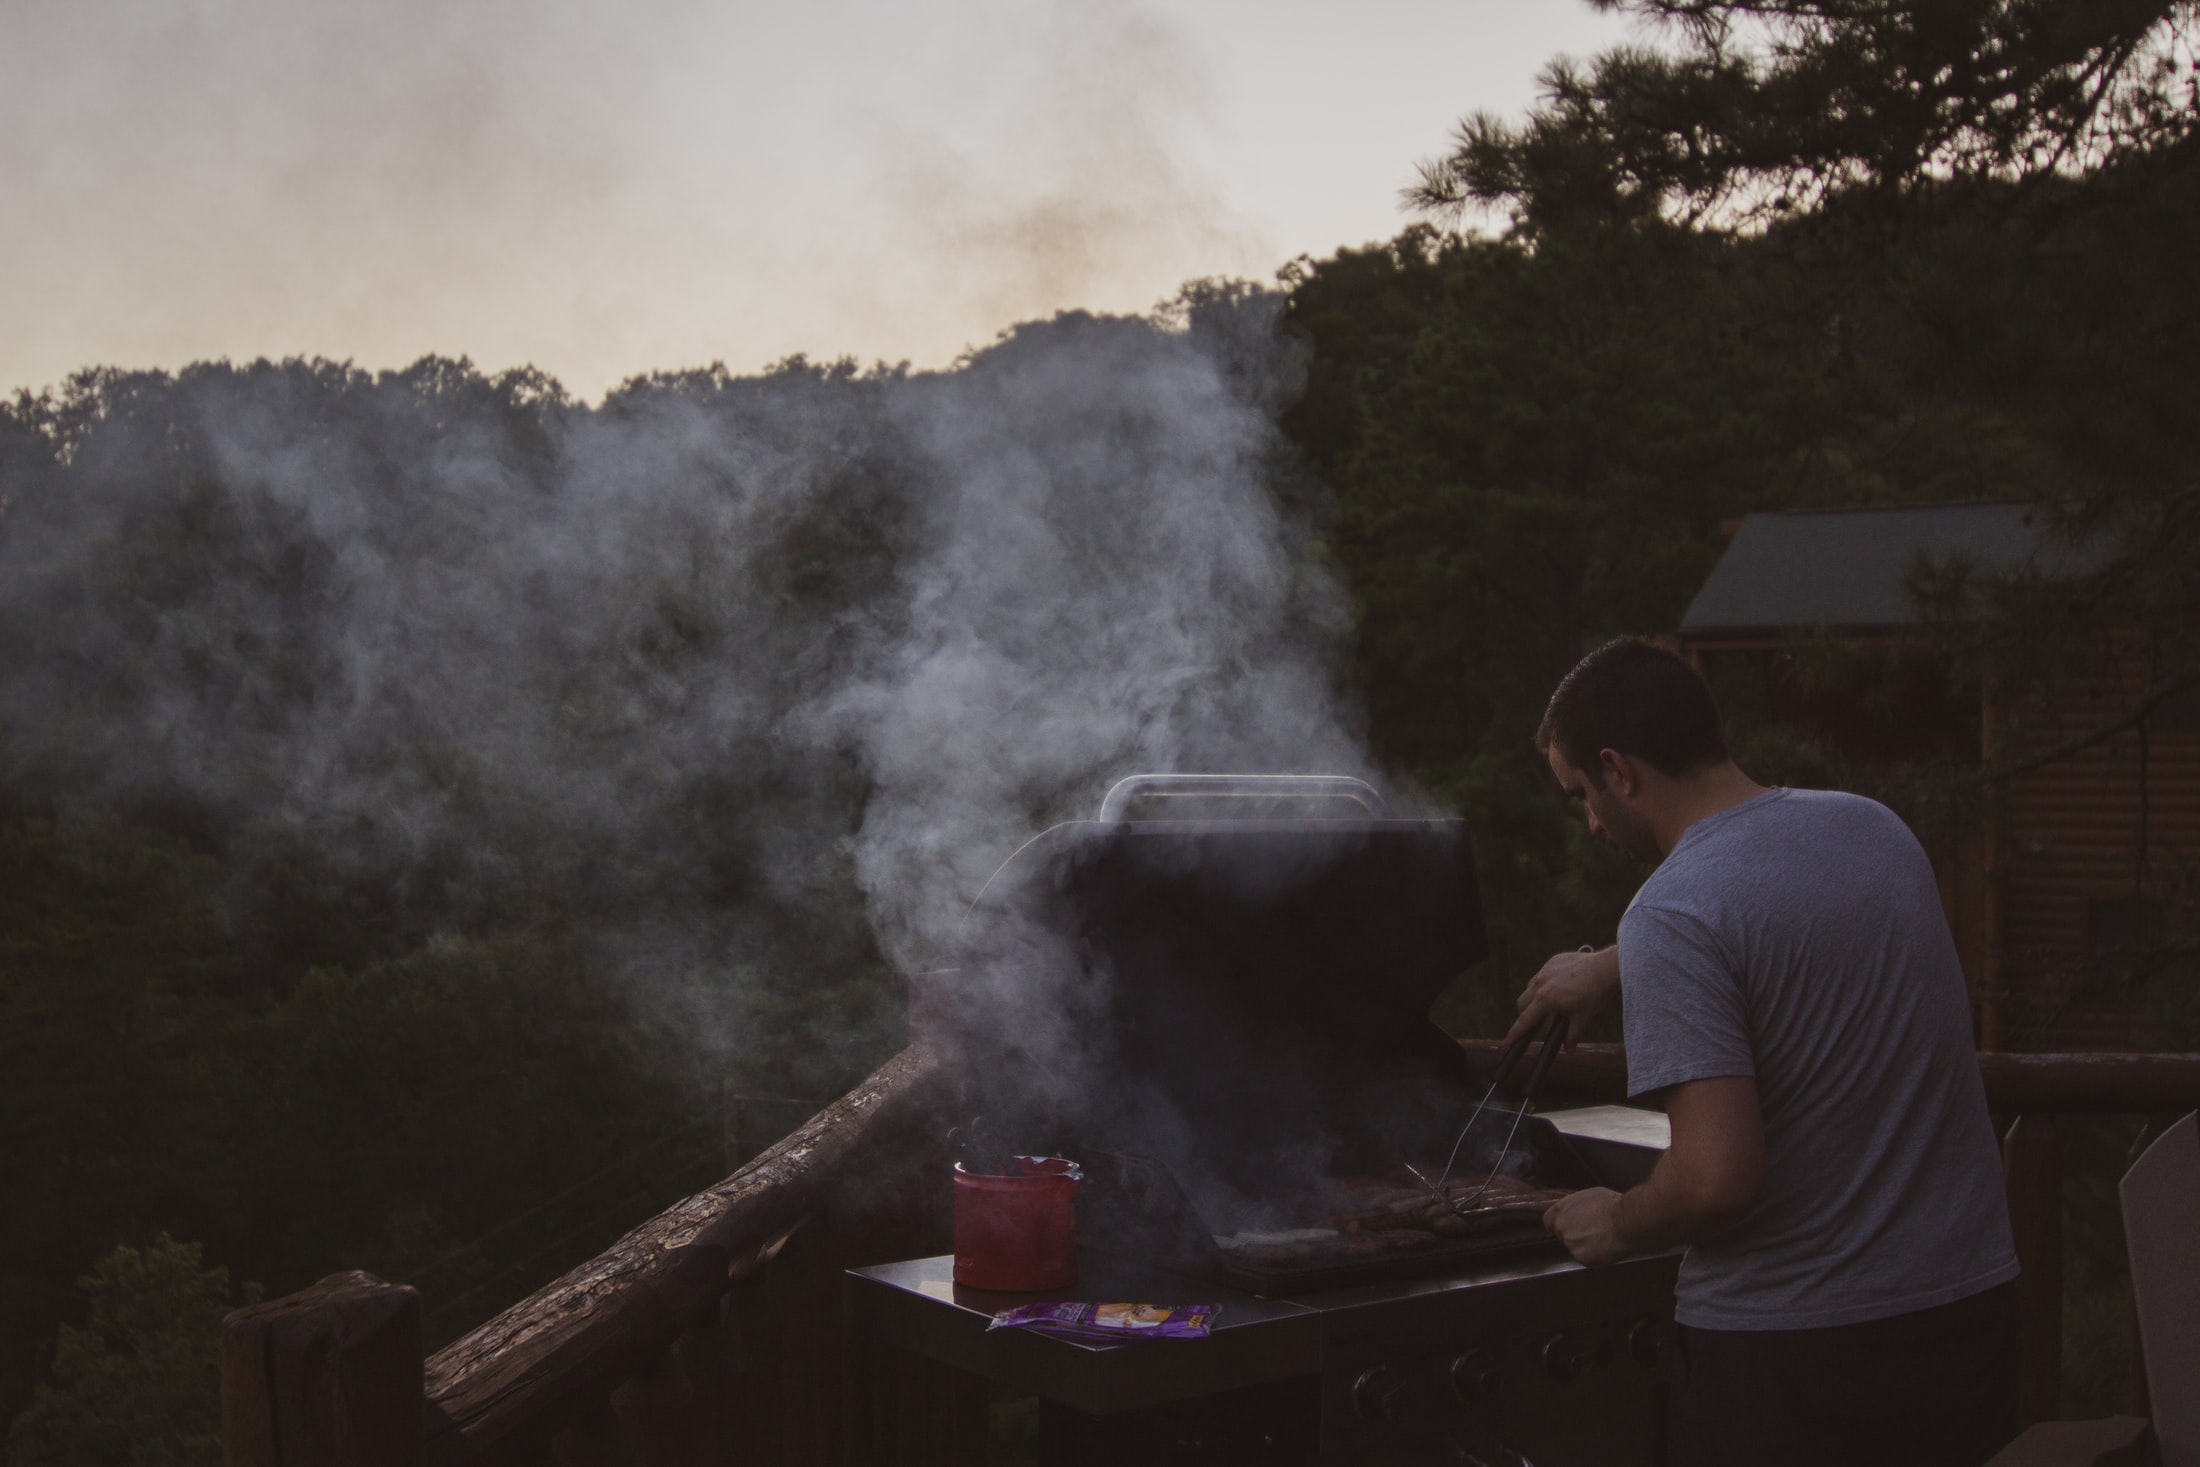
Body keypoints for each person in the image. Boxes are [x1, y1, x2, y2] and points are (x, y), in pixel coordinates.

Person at [1512, 637, 2020, 1467]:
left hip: (1798, 1358)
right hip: (1965, 1317)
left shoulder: (1672, 912)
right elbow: (1780, 913)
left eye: (1582, 794)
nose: (1593, 820)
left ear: (1620, 767)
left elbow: (1716, 1179)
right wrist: (1612, 965)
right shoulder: (1872, 829)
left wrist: (1616, 1219)